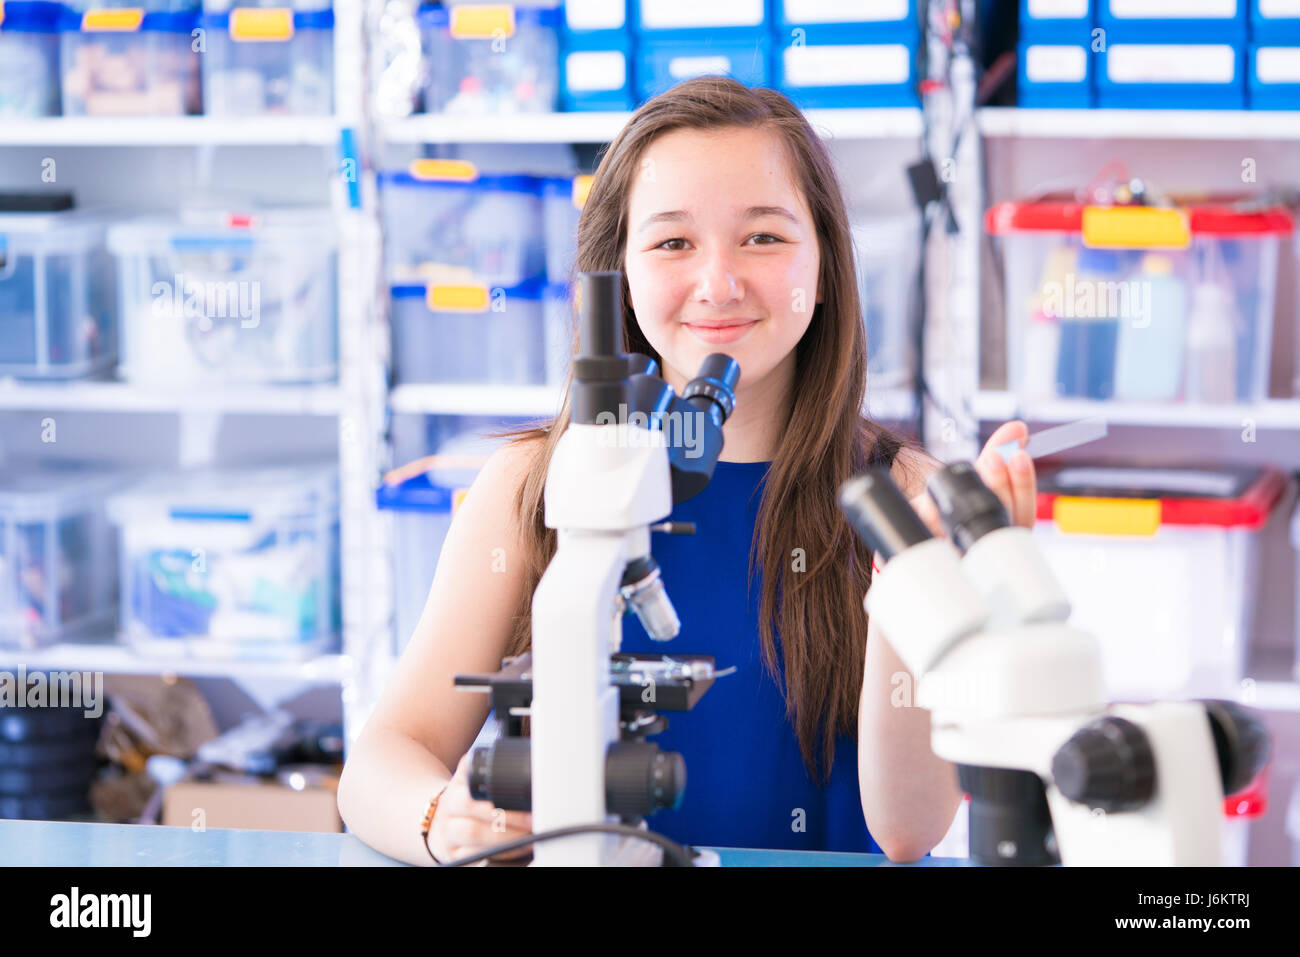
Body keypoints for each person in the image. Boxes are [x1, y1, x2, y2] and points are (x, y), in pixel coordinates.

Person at [337, 76, 1037, 865]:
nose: (719, 283)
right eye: (673, 242)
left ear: (827, 261)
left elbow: (907, 831)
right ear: (618, 272)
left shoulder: (906, 498)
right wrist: (441, 818)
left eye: (764, 237)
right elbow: (382, 758)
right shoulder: (529, 488)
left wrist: (920, 583)